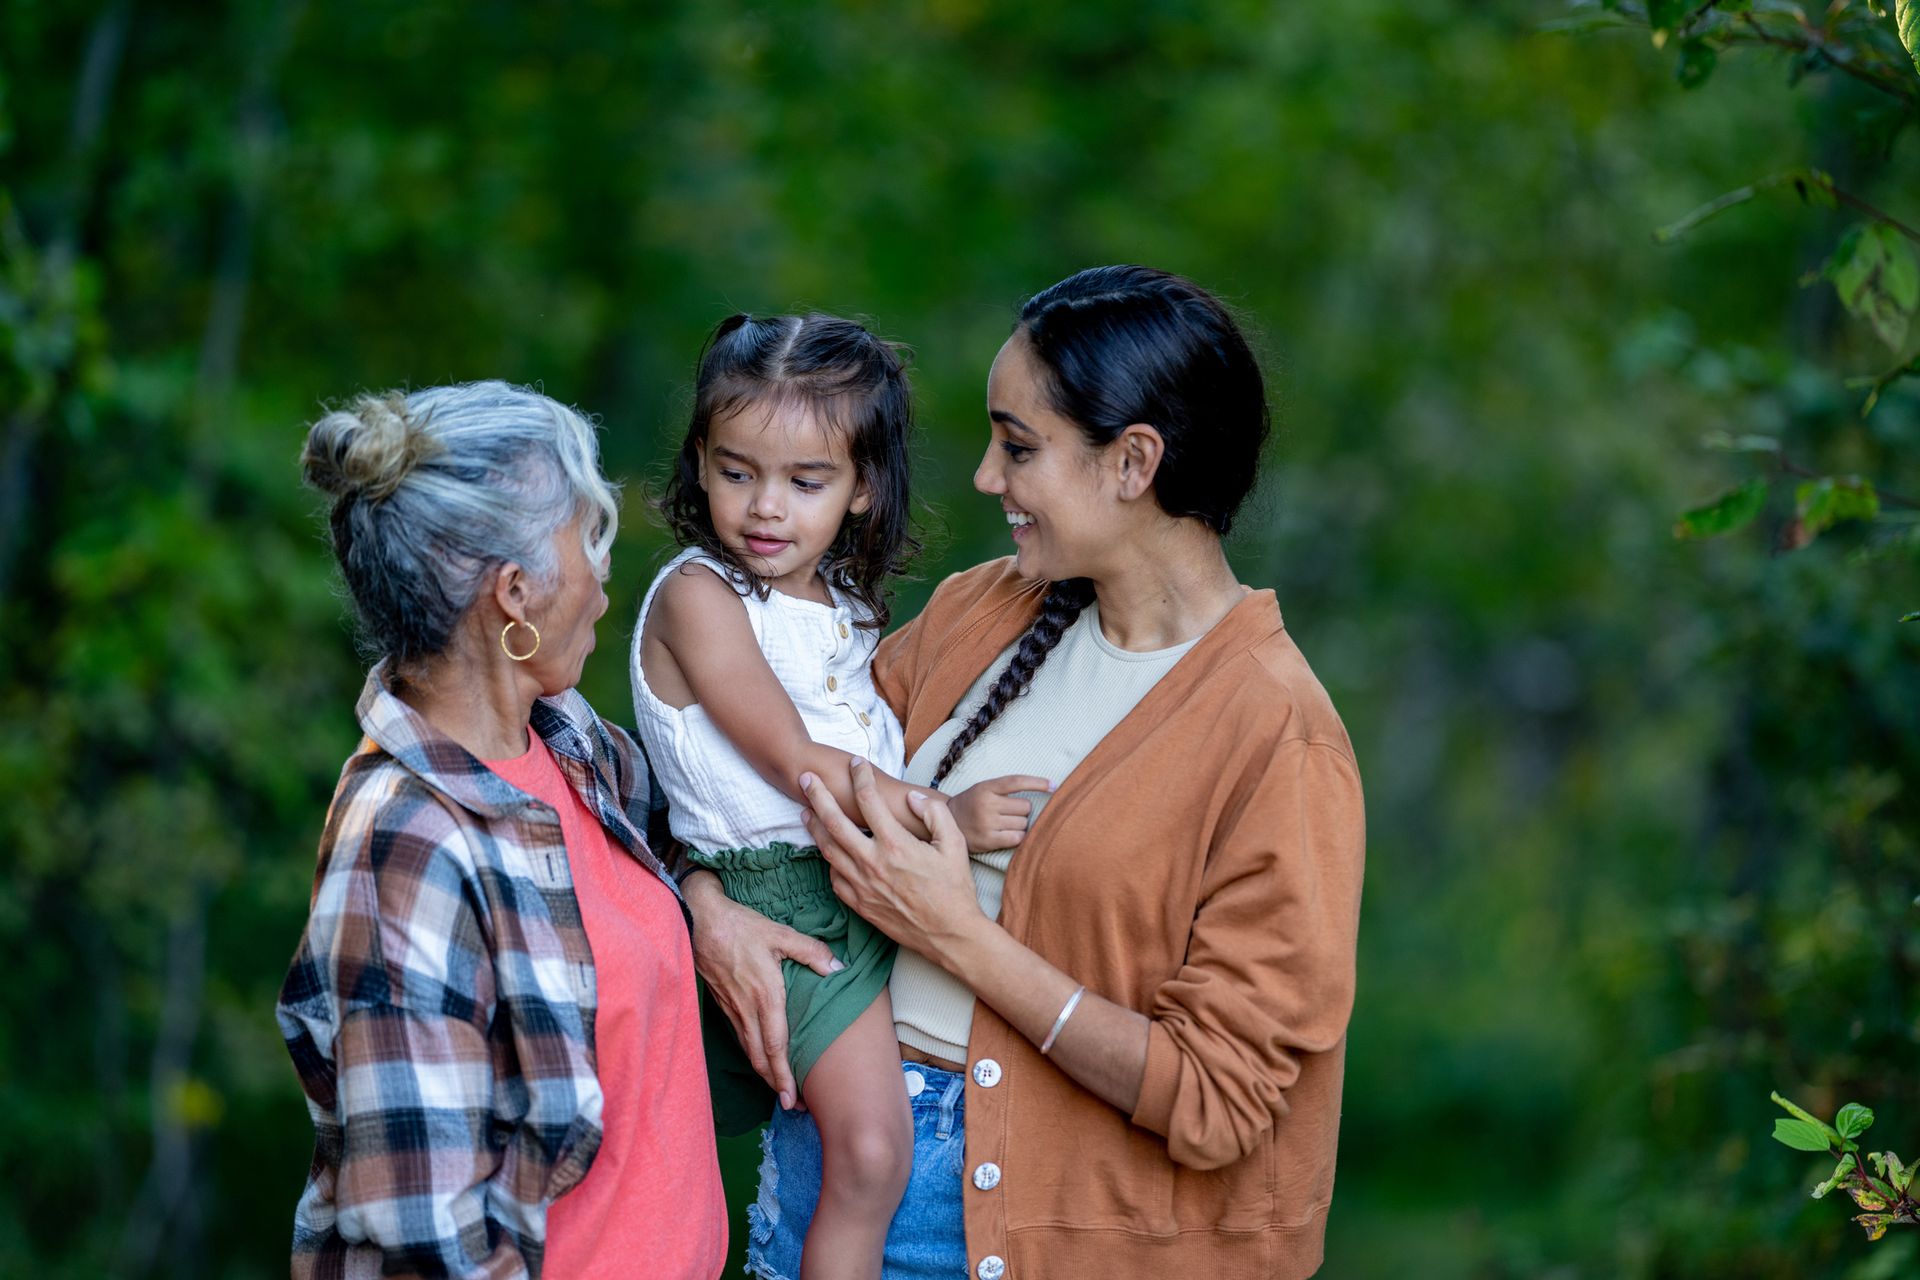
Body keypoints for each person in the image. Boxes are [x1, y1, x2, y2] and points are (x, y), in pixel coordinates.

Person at [687, 266, 1366, 1280]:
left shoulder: (1277, 734)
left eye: (1018, 447)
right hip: (831, 1173)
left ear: (1134, 460)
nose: (985, 479)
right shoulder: (984, 612)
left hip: (1033, 1228)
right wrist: (707, 902)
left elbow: (1216, 1101)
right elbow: (744, 785)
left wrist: (956, 934)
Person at [276, 382, 727, 1279]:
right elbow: (426, 1241)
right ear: (515, 594)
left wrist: (712, 909)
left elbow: (689, 852)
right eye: (587, 540)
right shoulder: (407, 844)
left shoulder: (569, 745)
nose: (603, 581)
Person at [632, 314, 1047, 1280]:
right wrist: (942, 814)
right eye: (737, 472)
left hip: (844, 882)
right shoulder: (700, 596)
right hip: (782, 895)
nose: (765, 507)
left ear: (863, 490)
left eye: (805, 482)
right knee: (869, 1155)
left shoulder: (842, 611)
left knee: (875, 1147)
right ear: (699, 462)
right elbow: (788, 757)